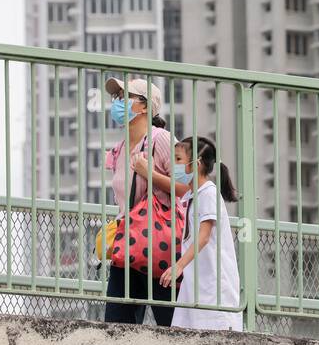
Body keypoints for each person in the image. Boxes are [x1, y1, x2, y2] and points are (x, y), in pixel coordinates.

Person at [101, 77, 179, 326]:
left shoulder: (161, 139)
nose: (117, 103)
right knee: (117, 326)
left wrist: (150, 174)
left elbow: (189, 187)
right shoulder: (120, 148)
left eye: (125, 97)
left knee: (170, 326)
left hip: (159, 243)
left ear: (145, 106)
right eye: (116, 98)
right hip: (127, 243)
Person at [157, 136, 243, 331]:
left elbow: (204, 236)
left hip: (212, 283)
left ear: (195, 163)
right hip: (195, 280)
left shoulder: (209, 193)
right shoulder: (194, 195)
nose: (173, 164)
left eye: (178, 159)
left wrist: (178, 266)